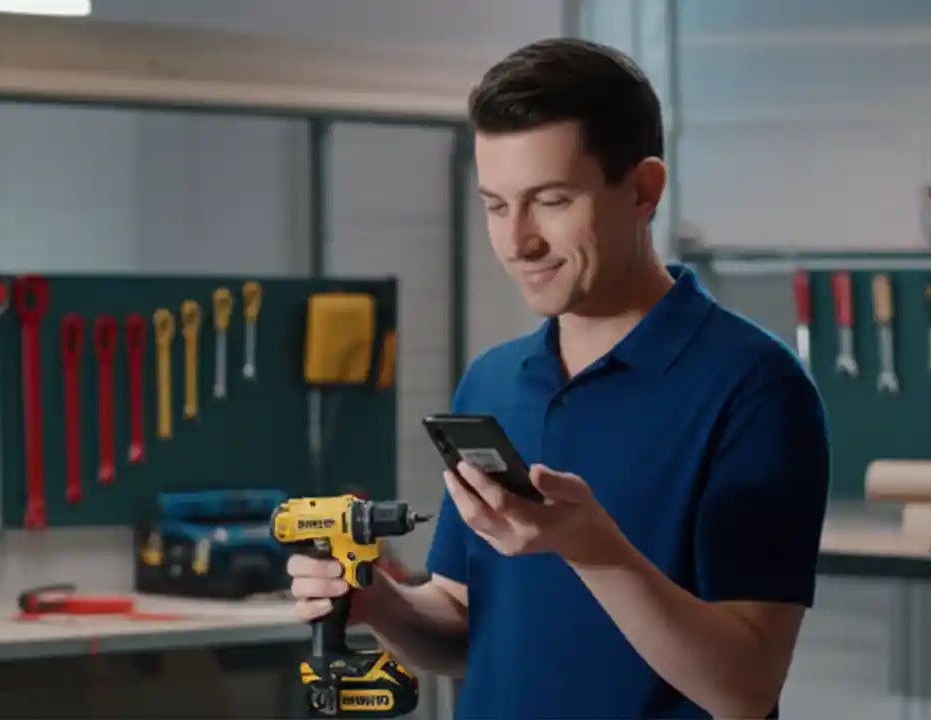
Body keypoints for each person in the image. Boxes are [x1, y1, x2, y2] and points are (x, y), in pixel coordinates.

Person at [288, 37, 831, 720]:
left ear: (642, 190)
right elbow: (460, 623)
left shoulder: (754, 388)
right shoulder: (493, 381)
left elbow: (745, 688)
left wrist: (591, 549)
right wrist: (380, 602)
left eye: (550, 200)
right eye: (495, 205)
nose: (517, 241)